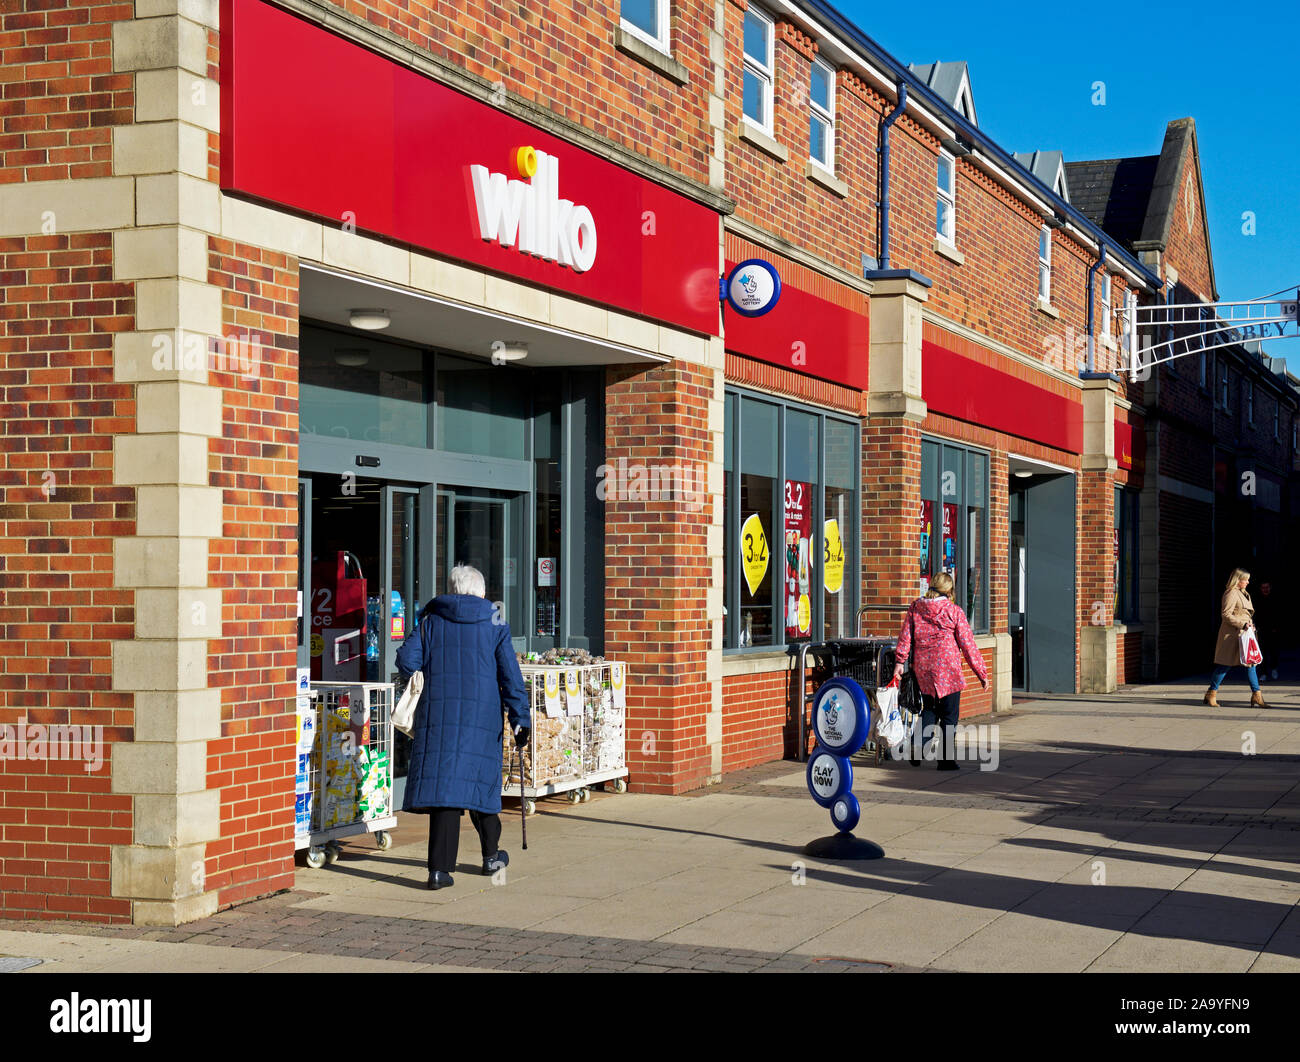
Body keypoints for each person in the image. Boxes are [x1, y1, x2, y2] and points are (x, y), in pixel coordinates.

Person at [396, 564, 531, 889]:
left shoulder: (431, 620)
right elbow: (510, 677)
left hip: (439, 717)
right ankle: (491, 857)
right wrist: (520, 721)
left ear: (454, 590)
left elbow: (405, 660)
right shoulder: (494, 623)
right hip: (481, 720)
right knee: (480, 786)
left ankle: (438, 871)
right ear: (481, 592)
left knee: (446, 791)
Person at [892, 572, 989, 770]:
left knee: (929, 709)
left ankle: (918, 746)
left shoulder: (915, 608)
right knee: (949, 715)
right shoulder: (954, 611)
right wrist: (981, 673)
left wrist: (899, 662)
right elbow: (968, 645)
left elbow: (905, 637)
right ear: (950, 590)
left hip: (924, 668)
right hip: (948, 669)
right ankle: (945, 760)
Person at [1205, 567, 1266, 709]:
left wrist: (1251, 625)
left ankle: (1257, 695)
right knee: (1225, 665)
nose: (1248, 582)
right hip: (1232, 635)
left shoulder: (1244, 593)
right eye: (1245, 579)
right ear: (1237, 580)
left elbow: (1245, 614)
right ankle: (1211, 693)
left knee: (1251, 664)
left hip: (1245, 634)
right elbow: (1226, 614)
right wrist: (1243, 623)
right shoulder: (1231, 593)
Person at [1255, 580, 1280, 681]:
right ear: (1260, 589)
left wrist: (1276, 627)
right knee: (1262, 652)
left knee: (1273, 651)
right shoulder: (1258, 600)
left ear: (1270, 588)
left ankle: (1274, 669)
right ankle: (1264, 673)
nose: (1265, 589)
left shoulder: (1275, 599)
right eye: (1263, 587)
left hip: (1274, 630)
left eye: (1267, 587)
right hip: (1261, 630)